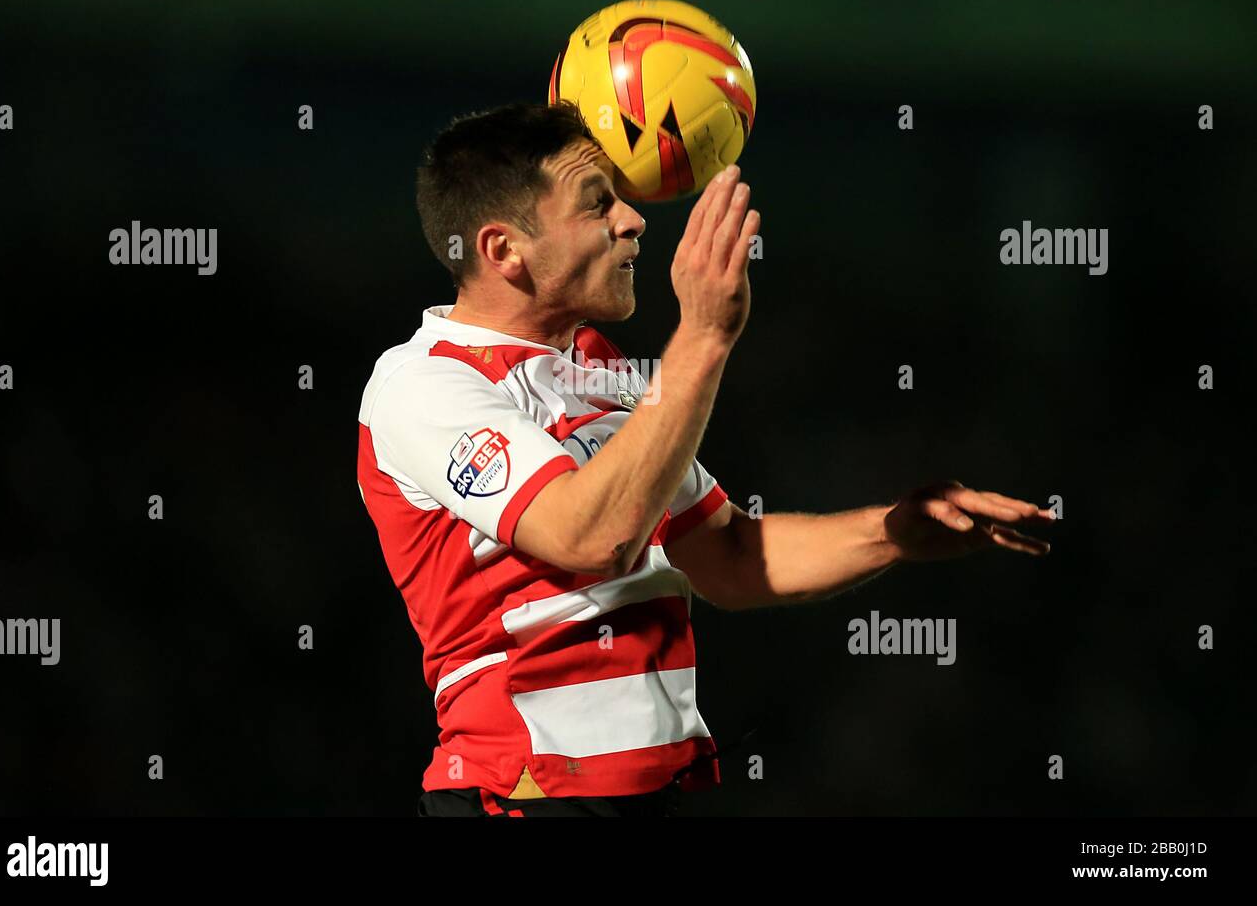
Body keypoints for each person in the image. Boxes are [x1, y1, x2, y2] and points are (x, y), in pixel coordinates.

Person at [356, 102, 1055, 817]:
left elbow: (727, 553)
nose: (633, 221)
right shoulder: (425, 383)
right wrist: (704, 337)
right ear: (503, 250)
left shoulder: (596, 366)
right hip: (524, 793)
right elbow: (589, 537)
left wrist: (892, 532)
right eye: (599, 204)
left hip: (654, 791)